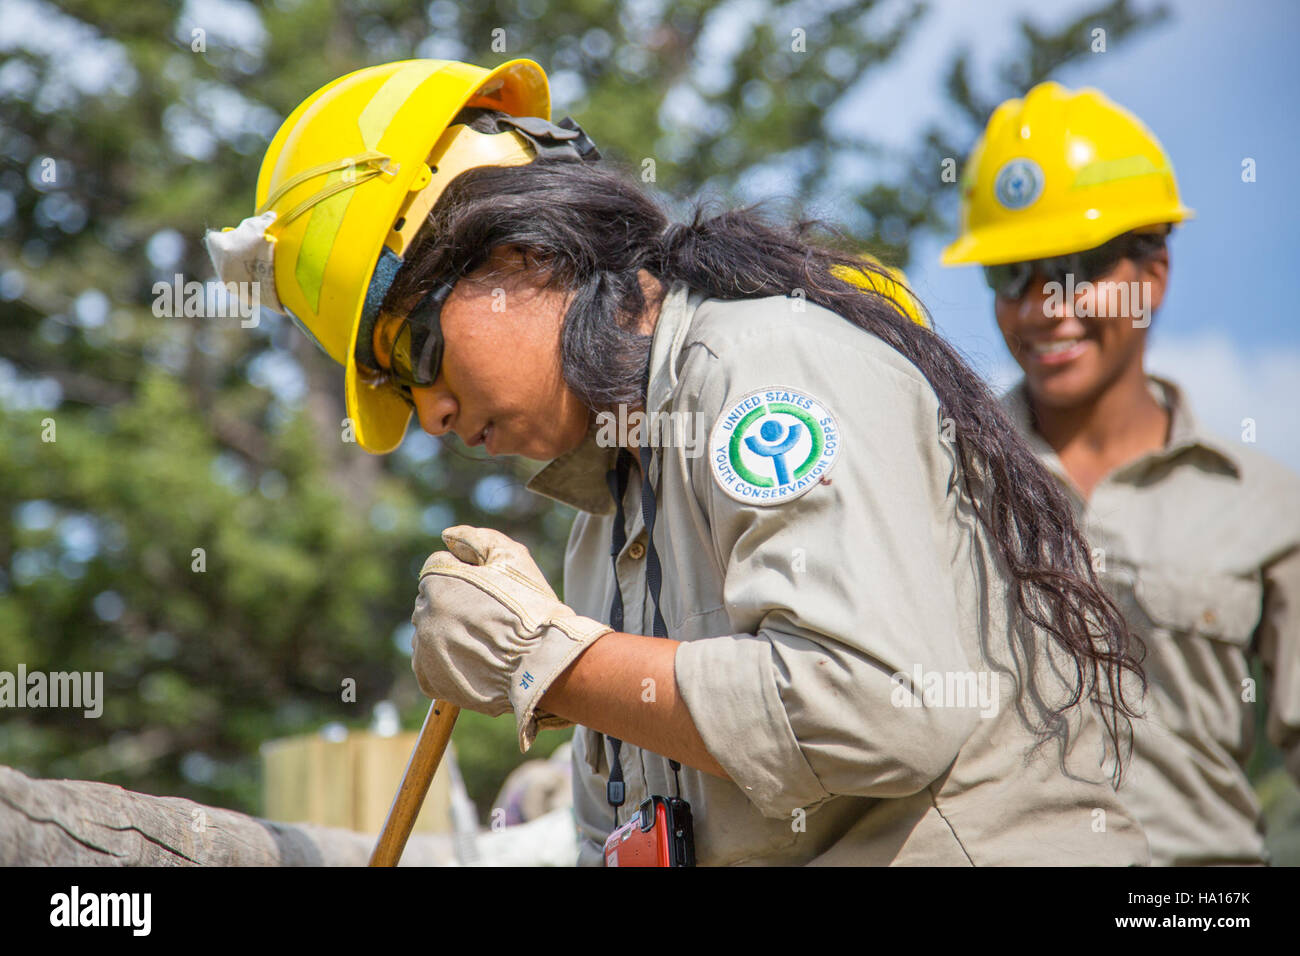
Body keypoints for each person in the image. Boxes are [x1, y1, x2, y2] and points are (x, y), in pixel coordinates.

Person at [209, 59, 1152, 866]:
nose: (429, 412)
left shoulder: (760, 371)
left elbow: (877, 707)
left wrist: (546, 659)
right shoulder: (600, 534)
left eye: (414, 353)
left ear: (522, 251)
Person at [942, 80, 1300, 865]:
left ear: (1156, 273)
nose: (1043, 307)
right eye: (1012, 274)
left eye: (1073, 268)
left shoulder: (1270, 509)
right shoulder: (944, 475)